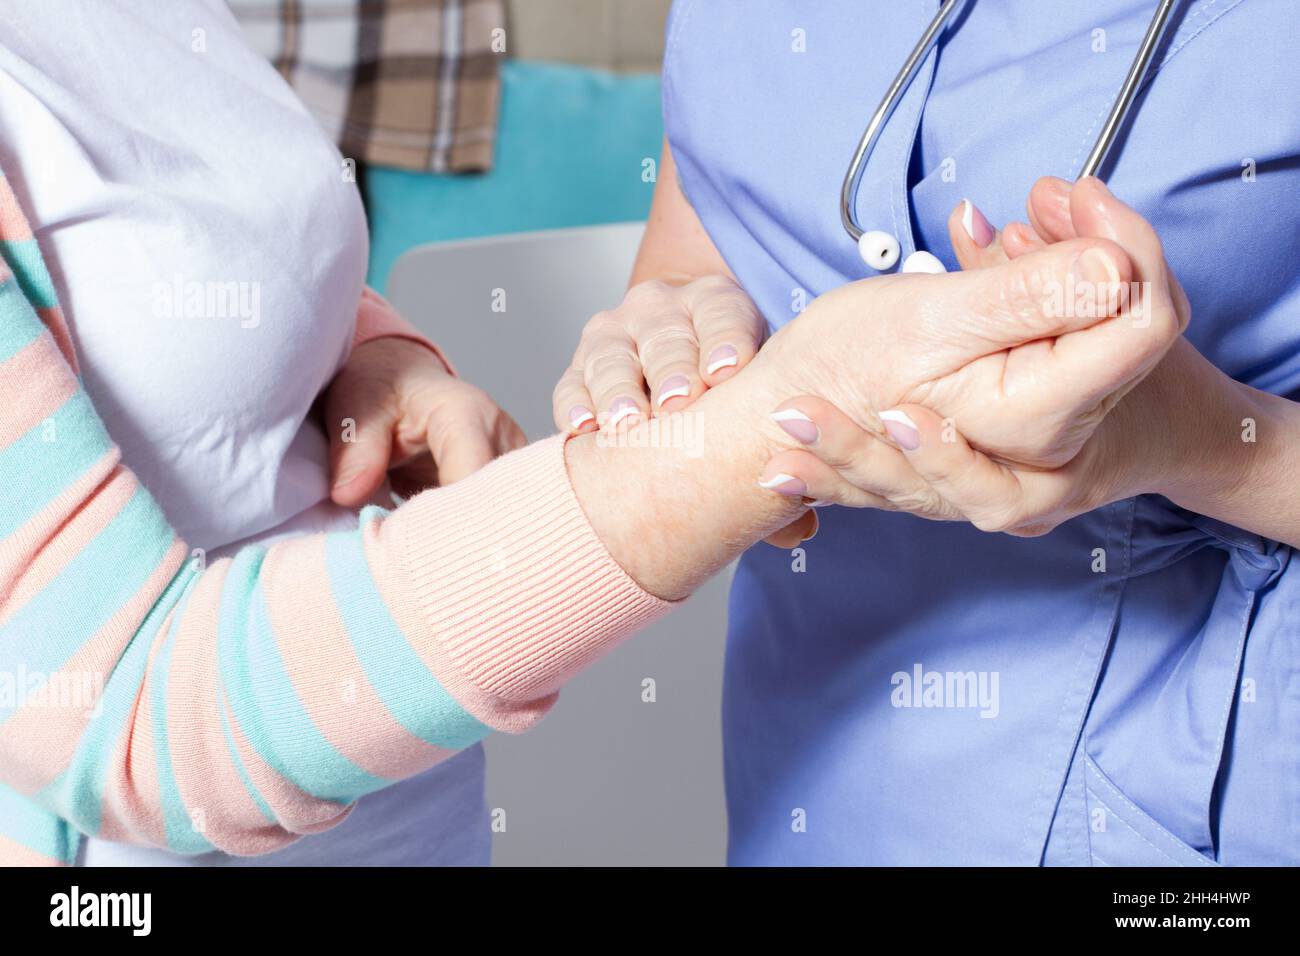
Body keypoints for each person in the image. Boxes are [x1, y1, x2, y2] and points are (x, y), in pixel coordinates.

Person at [554, 0, 1300, 865]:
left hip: (1193, 793)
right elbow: (709, 233)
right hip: (815, 760)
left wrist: (1202, 440)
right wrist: (687, 316)